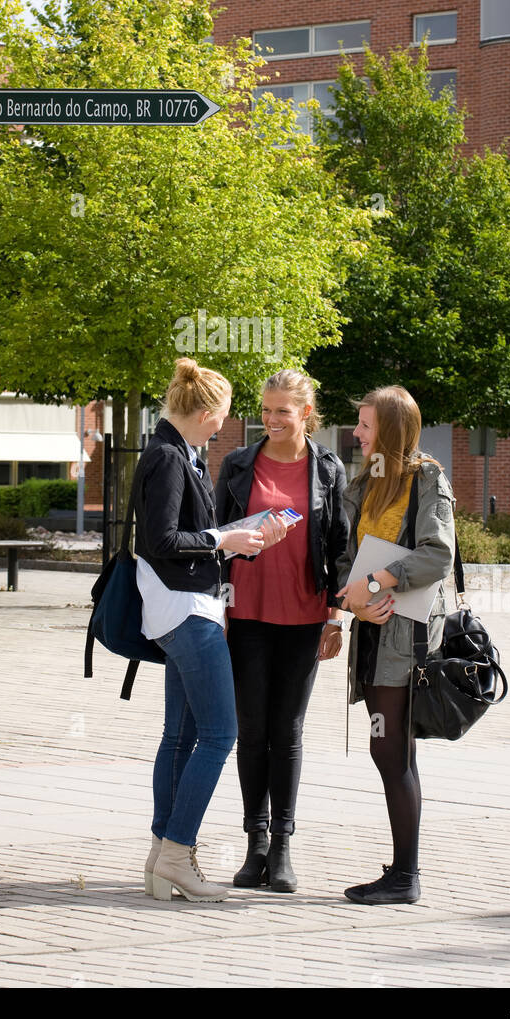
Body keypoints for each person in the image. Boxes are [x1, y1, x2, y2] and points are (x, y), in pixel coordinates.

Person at [133, 357, 288, 903]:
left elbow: (171, 538)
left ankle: (161, 856)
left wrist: (233, 538)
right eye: (220, 417)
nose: (222, 427)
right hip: (187, 613)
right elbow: (164, 541)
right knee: (221, 734)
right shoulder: (171, 458)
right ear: (201, 412)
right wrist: (226, 540)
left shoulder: (173, 453)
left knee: (180, 737)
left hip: (176, 611)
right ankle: (177, 853)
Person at [214, 370, 349, 893]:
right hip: (244, 614)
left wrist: (336, 616)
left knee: (287, 730)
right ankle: (256, 846)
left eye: (282, 412)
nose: (270, 420)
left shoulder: (328, 470)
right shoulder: (237, 464)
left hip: (305, 616)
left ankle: (285, 849)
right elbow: (217, 537)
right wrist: (217, 608)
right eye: (265, 411)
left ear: (305, 415)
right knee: (252, 730)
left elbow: (340, 545)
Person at [336, 385, 456, 905]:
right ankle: (403, 873)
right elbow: (343, 558)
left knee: (390, 751)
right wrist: (354, 601)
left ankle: (405, 876)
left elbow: (438, 554)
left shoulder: (427, 477)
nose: (356, 433)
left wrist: (379, 582)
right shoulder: (365, 481)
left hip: (405, 639)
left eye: (365, 426)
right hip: (371, 631)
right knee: (389, 749)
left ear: (390, 429)